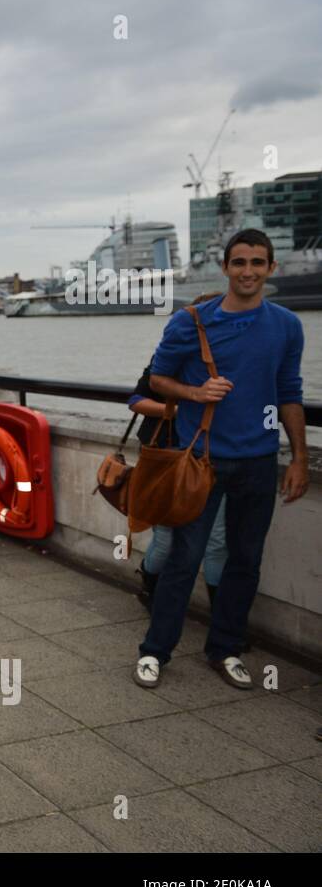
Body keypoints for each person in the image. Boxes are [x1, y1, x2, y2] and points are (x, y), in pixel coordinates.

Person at [135, 229, 308, 691]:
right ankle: (155, 651)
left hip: (259, 462)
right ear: (225, 268)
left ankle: (225, 648)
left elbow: (290, 392)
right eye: (239, 262)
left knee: (245, 561)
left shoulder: (287, 326)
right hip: (203, 463)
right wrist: (195, 392)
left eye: (257, 262)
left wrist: (299, 458)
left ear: (271, 268)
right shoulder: (190, 321)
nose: (248, 271)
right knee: (183, 559)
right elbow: (157, 381)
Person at [128, 358, 226, 609]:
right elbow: (136, 401)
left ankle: (221, 617)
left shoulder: (230, 359)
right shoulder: (170, 355)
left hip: (212, 459)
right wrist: (178, 411)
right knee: (166, 538)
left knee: (217, 540)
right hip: (167, 457)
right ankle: (150, 588)